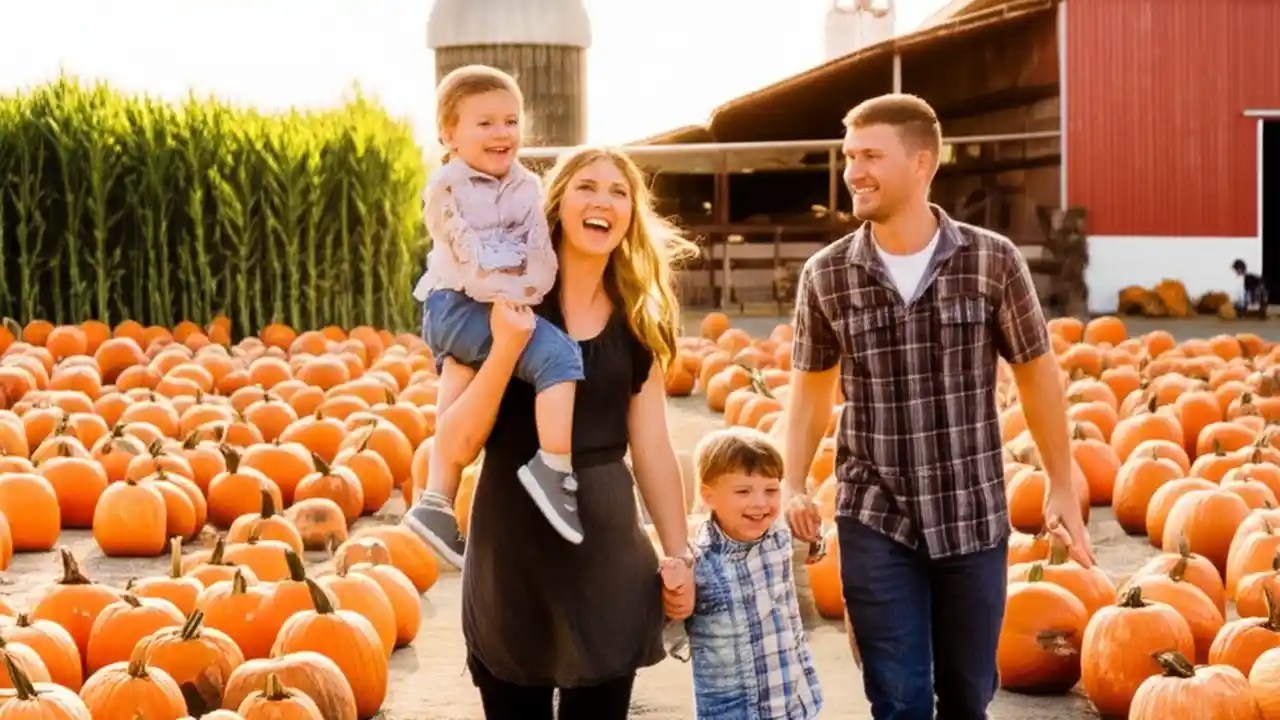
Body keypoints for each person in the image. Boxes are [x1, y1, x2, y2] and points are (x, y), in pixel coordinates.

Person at [783, 93, 1093, 719]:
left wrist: (1062, 484)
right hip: (875, 515)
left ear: (923, 163)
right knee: (897, 699)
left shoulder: (991, 260)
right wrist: (793, 481)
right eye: (849, 157)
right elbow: (810, 390)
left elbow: (1037, 375)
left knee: (967, 696)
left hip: (971, 513)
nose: (853, 172)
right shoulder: (828, 274)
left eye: (871, 155)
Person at [433, 144, 698, 719]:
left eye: (618, 192)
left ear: (630, 216)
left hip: (606, 555)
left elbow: (652, 448)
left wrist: (679, 554)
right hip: (512, 552)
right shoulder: (489, 299)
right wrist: (506, 349)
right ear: (555, 204)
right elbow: (454, 445)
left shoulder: (636, 325)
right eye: (587, 186)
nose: (603, 200)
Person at [406, 64, 587, 568]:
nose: (502, 132)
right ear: (449, 134)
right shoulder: (446, 188)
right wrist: (514, 291)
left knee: (460, 386)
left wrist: (526, 282)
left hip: (492, 301)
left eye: (511, 121)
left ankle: (436, 503)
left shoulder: (526, 185)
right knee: (558, 357)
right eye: (484, 123)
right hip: (455, 302)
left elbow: (539, 254)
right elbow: (471, 266)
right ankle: (553, 469)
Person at [672, 426, 822, 720]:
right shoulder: (697, 560)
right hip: (734, 710)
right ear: (708, 495)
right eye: (743, 491)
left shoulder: (779, 535)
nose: (760, 503)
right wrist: (672, 585)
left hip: (792, 699)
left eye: (771, 490)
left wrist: (814, 530)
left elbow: (816, 548)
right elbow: (673, 617)